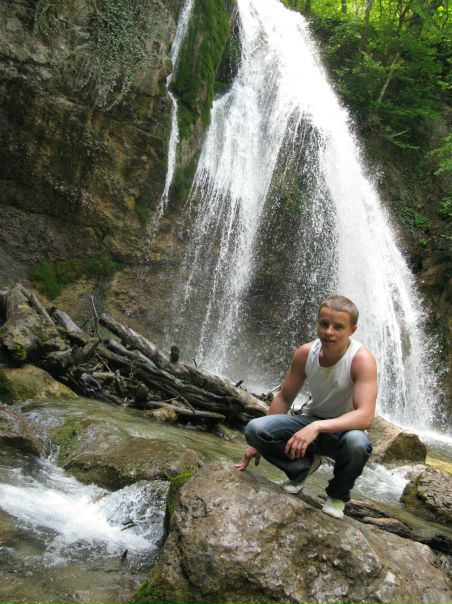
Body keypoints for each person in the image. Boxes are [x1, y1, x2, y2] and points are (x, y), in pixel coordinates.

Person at [235, 295, 377, 519]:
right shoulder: (305, 353)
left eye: (338, 327)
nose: (329, 332)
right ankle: (301, 467)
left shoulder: (361, 360)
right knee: (254, 429)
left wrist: (317, 427)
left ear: (352, 330)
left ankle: (337, 495)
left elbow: (365, 417)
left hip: (345, 431)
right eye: (324, 324)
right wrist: (257, 445)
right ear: (317, 323)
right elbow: (284, 397)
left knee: (357, 443)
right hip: (309, 422)